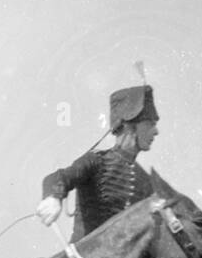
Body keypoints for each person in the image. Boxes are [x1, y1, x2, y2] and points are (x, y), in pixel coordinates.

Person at [36, 63, 160, 240]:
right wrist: (53, 198)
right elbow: (59, 177)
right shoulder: (96, 161)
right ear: (129, 126)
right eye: (150, 124)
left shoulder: (145, 181)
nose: (156, 131)